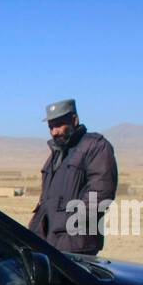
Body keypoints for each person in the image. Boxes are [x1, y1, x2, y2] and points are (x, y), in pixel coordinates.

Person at [28, 99, 117, 255]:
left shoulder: (95, 146)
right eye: (51, 127)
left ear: (74, 120)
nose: (54, 131)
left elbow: (100, 194)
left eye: (59, 125)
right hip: (49, 243)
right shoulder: (56, 154)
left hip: (76, 245)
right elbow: (46, 201)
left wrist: (66, 223)